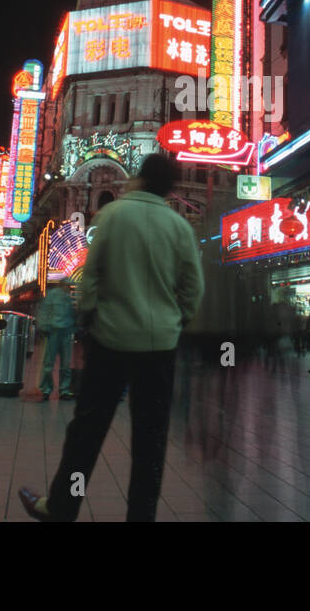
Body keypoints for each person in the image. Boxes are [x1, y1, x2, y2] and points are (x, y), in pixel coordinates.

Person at [19, 154, 203, 523]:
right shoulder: (177, 226)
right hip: (159, 347)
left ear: (138, 179)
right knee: (151, 439)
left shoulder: (111, 216)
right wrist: (174, 320)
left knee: (87, 430)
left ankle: (61, 506)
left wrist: (90, 317)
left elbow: (90, 279)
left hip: (110, 341)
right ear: (168, 187)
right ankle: (141, 515)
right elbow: (193, 289)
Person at [37, 282, 76, 400]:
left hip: (57, 332)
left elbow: (44, 312)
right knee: (63, 363)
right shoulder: (62, 297)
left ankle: (48, 390)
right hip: (59, 332)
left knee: (52, 363)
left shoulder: (59, 296)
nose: (69, 289)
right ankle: (61, 390)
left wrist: (44, 327)